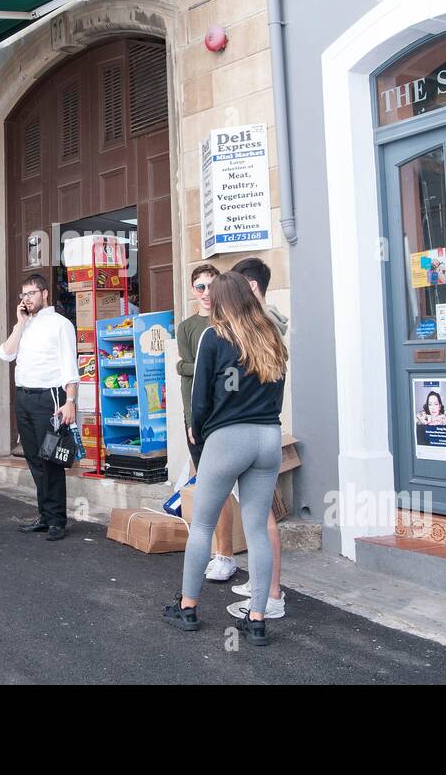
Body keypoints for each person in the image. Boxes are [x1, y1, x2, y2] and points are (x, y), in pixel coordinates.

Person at [164, 272, 288, 646]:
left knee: (202, 526)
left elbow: (200, 395)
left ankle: (187, 607)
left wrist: (198, 432)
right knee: (256, 530)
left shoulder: (213, 337)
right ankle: (259, 617)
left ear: (220, 301)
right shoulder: (270, 336)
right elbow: (277, 392)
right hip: (267, 437)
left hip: (227, 437)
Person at [224, 257, 288, 620]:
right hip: (262, 430)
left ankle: (273, 594)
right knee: (256, 514)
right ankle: (263, 584)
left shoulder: (261, 327)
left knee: (262, 516)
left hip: (252, 432)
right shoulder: (265, 324)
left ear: (250, 288)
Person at [0, 273, 80, 541]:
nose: (27, 299)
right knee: (33, 458)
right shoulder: (25, 324)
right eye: (24, 294)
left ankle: (57, 518)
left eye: (31, 293)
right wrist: (20, 324)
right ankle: (44, 514)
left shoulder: (60, 324)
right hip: (24, 397)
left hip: (50, 398)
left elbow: (69, 364)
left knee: (51, 459)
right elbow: (6, 353)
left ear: (45, 294)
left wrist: (70, 401)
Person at [176, 263, 239, 583]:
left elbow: (199, 370)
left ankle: (226, 554)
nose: (205, 293)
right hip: (199, 418)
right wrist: (190, 419)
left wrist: (188, 366)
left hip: (229, 417)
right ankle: (217, 554)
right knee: (207, 489)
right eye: (199, 287)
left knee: (222, 488)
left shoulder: (232, 324)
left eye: (211, 286)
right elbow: (191, 382)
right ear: (192, 291)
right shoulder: (187, 328)